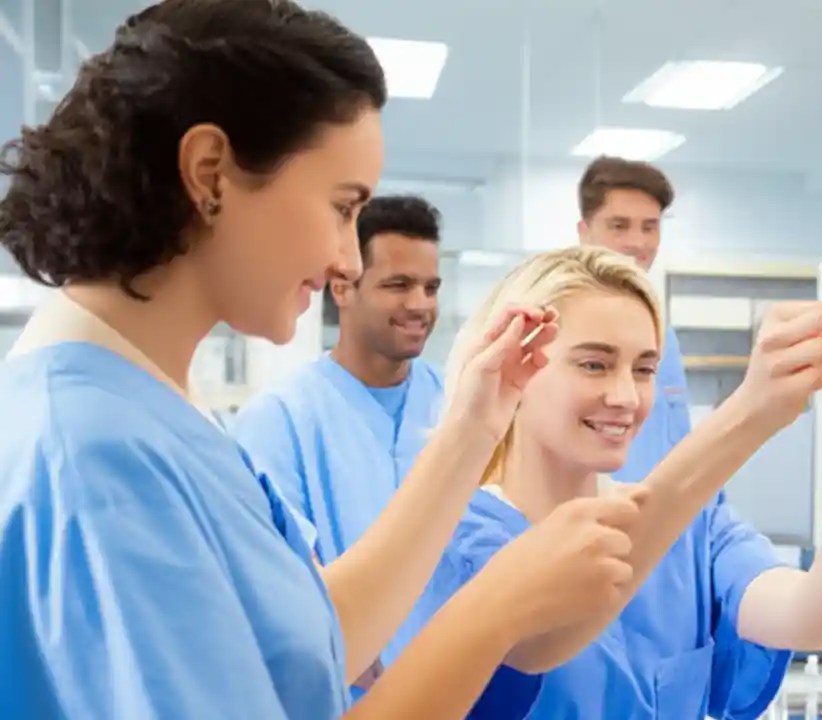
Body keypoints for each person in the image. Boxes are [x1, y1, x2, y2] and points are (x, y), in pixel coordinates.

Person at [0, 2, 650, 718]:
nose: (346, 260)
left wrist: (472, 425)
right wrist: (497, 607)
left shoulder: (152, 410)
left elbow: (310, 640)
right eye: (343, 208)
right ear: (211, 173)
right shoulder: (96, 456)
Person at [417, 244, 822, 718]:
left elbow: (811, 619)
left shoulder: (692, 526)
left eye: (643, 368)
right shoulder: (460, 540)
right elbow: (540, 641)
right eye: (594, 363)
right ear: (515, 364)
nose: (625, 396)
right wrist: (753, 410)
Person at [233, 194, 447, 677]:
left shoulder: (461, 406)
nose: (420, 305)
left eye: (431, 287)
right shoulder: (280, 420)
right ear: (342, 288)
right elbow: (285, 593)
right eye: (399, 285)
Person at [576, 156, 688, 481]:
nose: (637, 243)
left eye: (649, 227)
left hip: (666, 519)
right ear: (585, 232)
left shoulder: (659, 330)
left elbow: (680, 444)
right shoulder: (554, 327)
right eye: (619, 225)